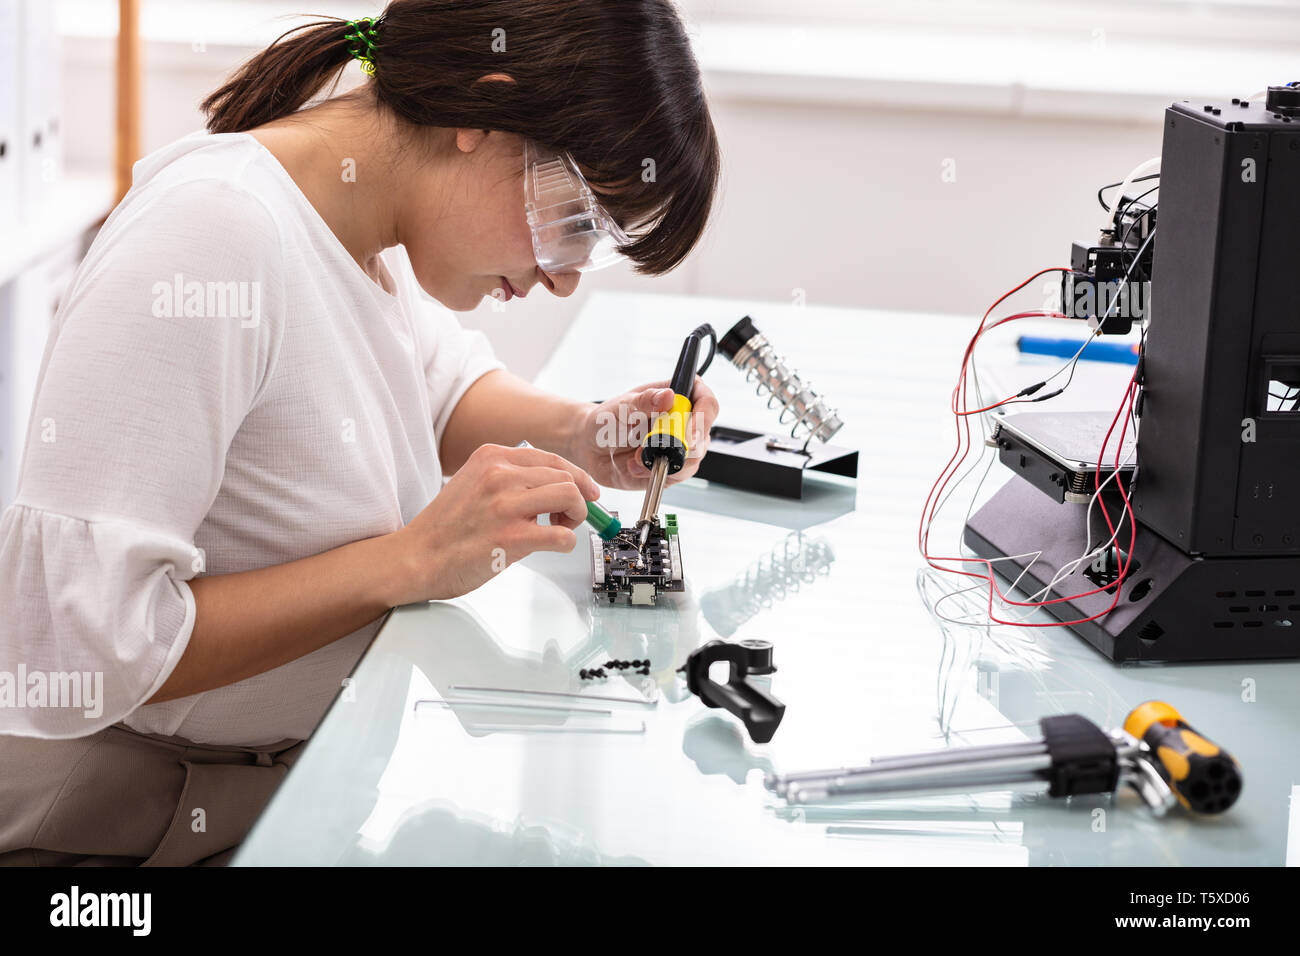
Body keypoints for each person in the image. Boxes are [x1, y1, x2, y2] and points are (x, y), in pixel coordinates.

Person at [0, 0, 720, 865]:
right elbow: (84, 639)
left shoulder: (359, 228)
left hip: (285, 797)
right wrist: (409, 563)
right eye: (576, 222)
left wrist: (589, 430)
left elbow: (435, 389)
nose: (564, 279)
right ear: (481, 118)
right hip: (123, 835)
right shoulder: (212, 238)